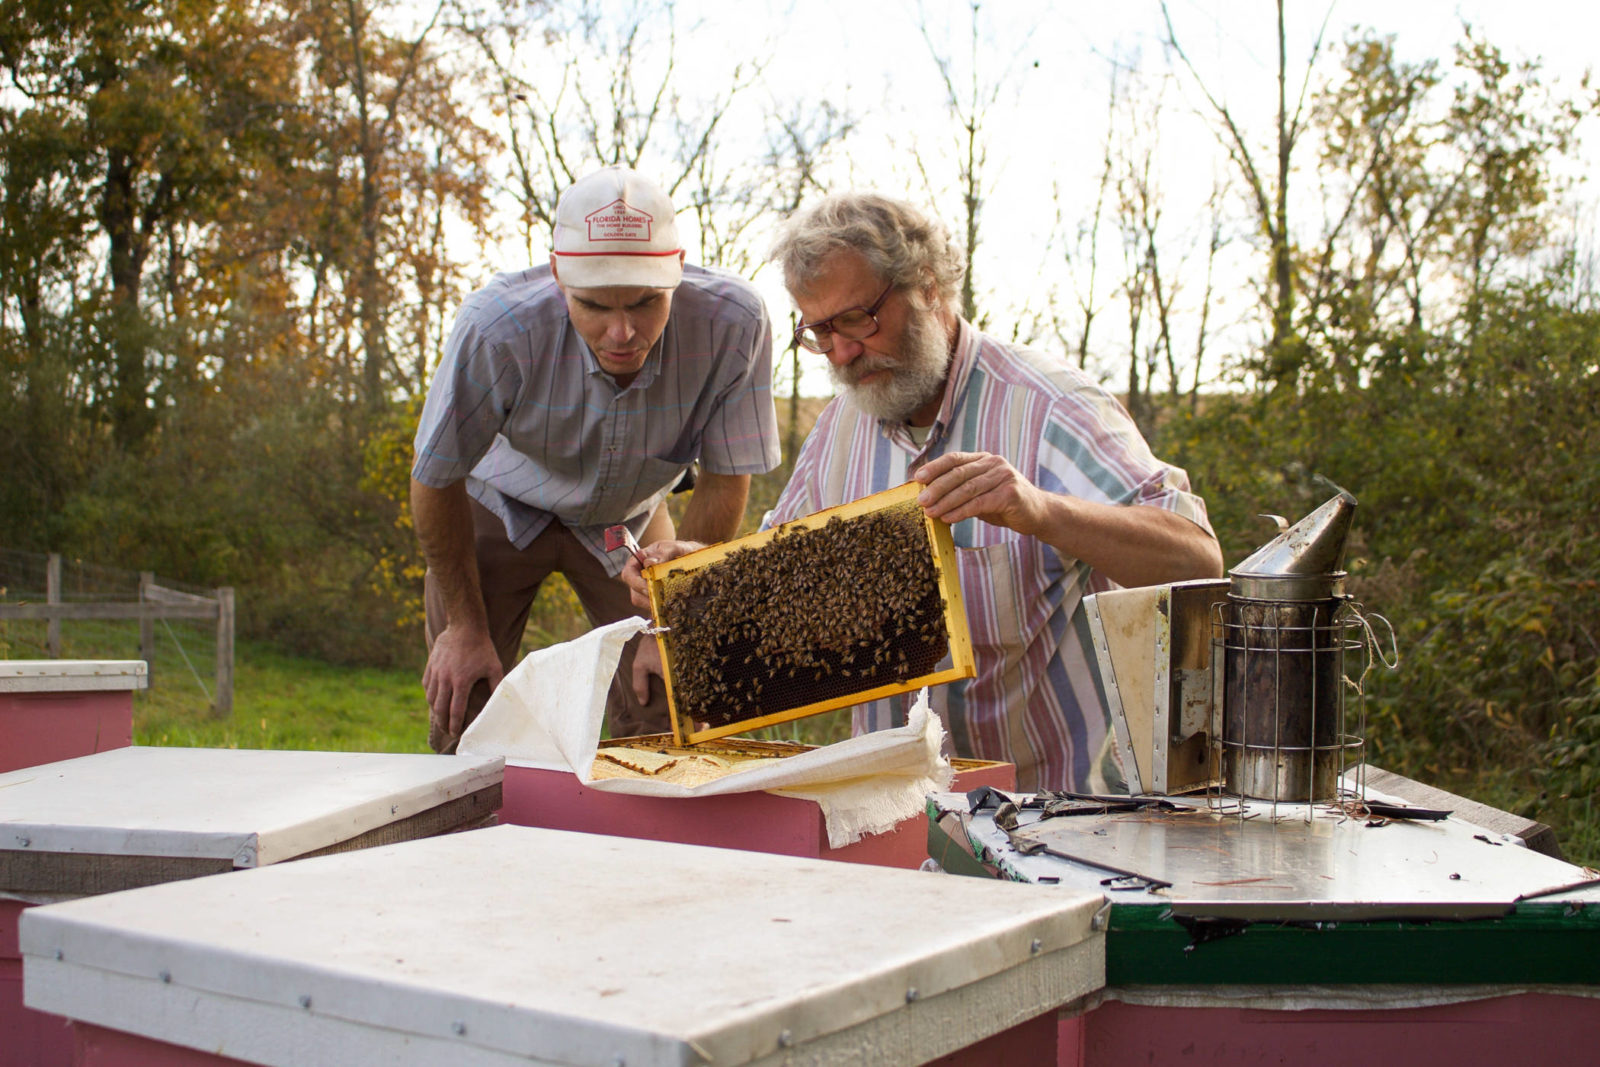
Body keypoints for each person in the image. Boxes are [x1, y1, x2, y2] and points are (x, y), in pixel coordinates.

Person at [626, 191, 1222, 792]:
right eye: (820, 331)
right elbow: (778, 582)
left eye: (858, 319)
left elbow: (1197, 557)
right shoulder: (839, 428)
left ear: (929, 287)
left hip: (1054, 813)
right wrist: (695, 593)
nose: (843, 352)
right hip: (894, 811)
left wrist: (1041, 510)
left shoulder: (1049, 405)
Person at [411, 165, 780, 752]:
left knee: (665, 700)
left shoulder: (736, 323)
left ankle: (633, 839)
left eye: (644, 303)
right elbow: (434, 478)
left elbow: (724, 478)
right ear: (559, 275)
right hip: (500, 503)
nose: (622, 332)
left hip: (627, 518)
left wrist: (670, 621)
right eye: (593, 307)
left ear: (677, 268)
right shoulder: (495, 328)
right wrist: (463, 626)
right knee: (468, 706)